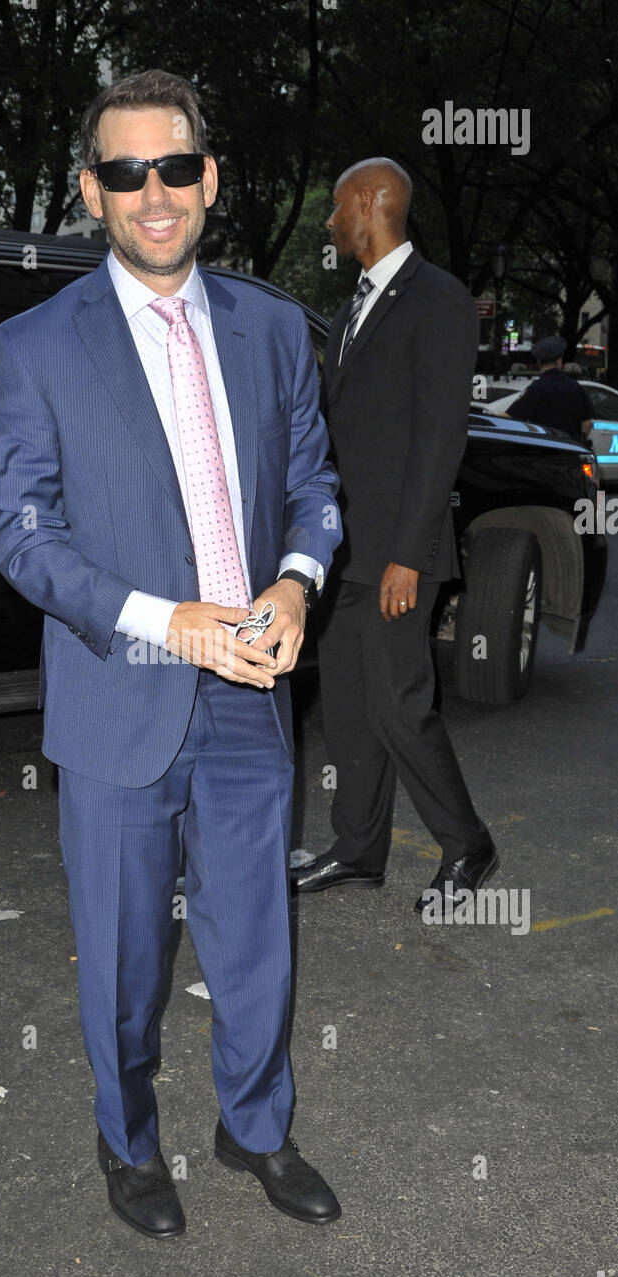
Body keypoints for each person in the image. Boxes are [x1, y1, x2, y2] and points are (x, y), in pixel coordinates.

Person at [0, 70, 343, 1239]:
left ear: (209, 179)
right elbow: (19, 528)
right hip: (114, 701)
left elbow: (314, 490)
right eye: (126, 173)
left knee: (255, 941)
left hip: (249, 692)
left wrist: (297, 580)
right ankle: (128, 1140)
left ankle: (256, 1127)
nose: (154, 194)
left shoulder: (276, 326)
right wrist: (160, 617)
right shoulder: (38, 345)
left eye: (174, 168)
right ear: (93, 191)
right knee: (128, 960)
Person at [292, 158, 498, 912]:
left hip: (397, 552)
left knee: (397, 703)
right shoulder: (353, 306)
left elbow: (440, 437)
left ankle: (467, 844)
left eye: (336, 206)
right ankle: (357, 850)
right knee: (347, 706)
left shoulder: (437, 300)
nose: (327, 222)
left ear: (371, 201)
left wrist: (408, 556)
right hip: (347, 549)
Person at [507, 335, 593, 441]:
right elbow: (587, 423)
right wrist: (581, 441)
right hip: (570, 451)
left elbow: (511, 416)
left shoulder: (536, 388)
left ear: (538, 361)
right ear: (559, 360)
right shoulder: (576, 387)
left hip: (544, 451)